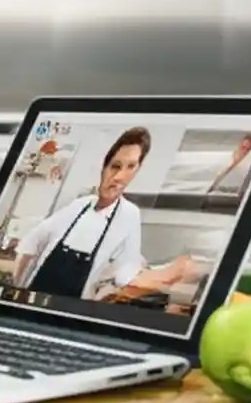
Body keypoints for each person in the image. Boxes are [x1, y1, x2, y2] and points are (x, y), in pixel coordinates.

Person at [12, 128, 150, 300]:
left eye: (131, 167)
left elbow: (127, 270)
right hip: (35, 299)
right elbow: (31, 241)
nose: (119, 177)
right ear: (104, 167)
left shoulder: (129, 214)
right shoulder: (79, 205)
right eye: (115, 166)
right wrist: (17, 289)